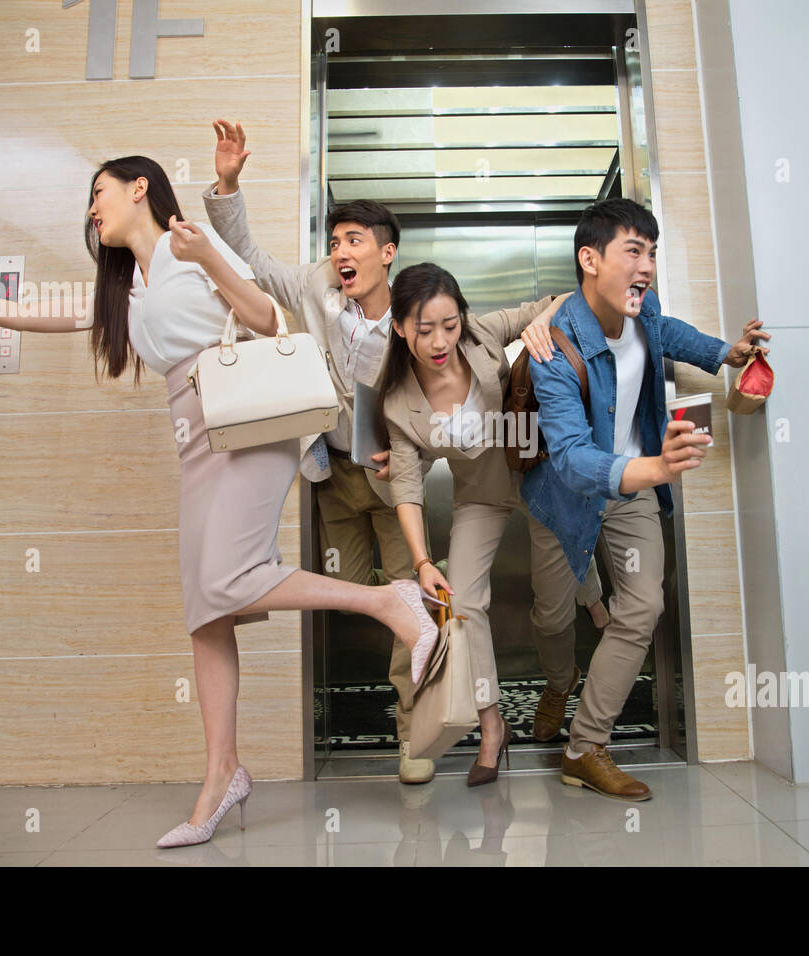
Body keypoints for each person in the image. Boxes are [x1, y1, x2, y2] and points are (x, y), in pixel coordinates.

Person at [0, 155, 443, 845]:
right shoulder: (123, 291)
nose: (92, 207)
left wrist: (209, 259)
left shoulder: (191, 244)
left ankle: (386, 601)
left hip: (250, 425)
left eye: (99, 192)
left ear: (139, 188)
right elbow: (16, 309)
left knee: (230, 579)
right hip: (195, 442)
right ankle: (223, 774)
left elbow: (269, 319)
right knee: (206, 610)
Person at [200, 121, 611, 780]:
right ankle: (476, 715)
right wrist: (227, 186)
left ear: (388, 253)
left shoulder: (446, 326)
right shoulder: (331, 305)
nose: (340, 252)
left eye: (354, 241)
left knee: (492, 592)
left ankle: (466, 709)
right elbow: (254, 258)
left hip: (474, 474)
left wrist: (543, 323)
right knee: (406, 599)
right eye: (334, 242)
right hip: (386, 480)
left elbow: (545, 308)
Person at [523, 197, 771, 801]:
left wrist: (723, 353)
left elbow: (668, 334)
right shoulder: (553, 350)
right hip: (565, 500)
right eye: (634, 251)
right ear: (590, 259)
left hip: (633, 489)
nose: (647, 266)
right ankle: (559, 682)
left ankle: (584, 747)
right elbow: (570, 458)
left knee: (642, 607)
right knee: (554, 617)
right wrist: (656, 465)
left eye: (652, 253)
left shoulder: (644, 308)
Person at [376, 263, 608, 785]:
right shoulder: (398, 402)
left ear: (463, 317)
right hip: (480, 495)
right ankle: (491, 723)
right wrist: (419, 563)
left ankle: (586, 606)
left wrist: (539, 322)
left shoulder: (481, 333)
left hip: (535, 473)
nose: (440, 341)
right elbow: (408, 488)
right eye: (424, 329)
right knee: (464, 605)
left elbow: (565, 298)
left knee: (556, 587)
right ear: (399, 328)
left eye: (449, 324)